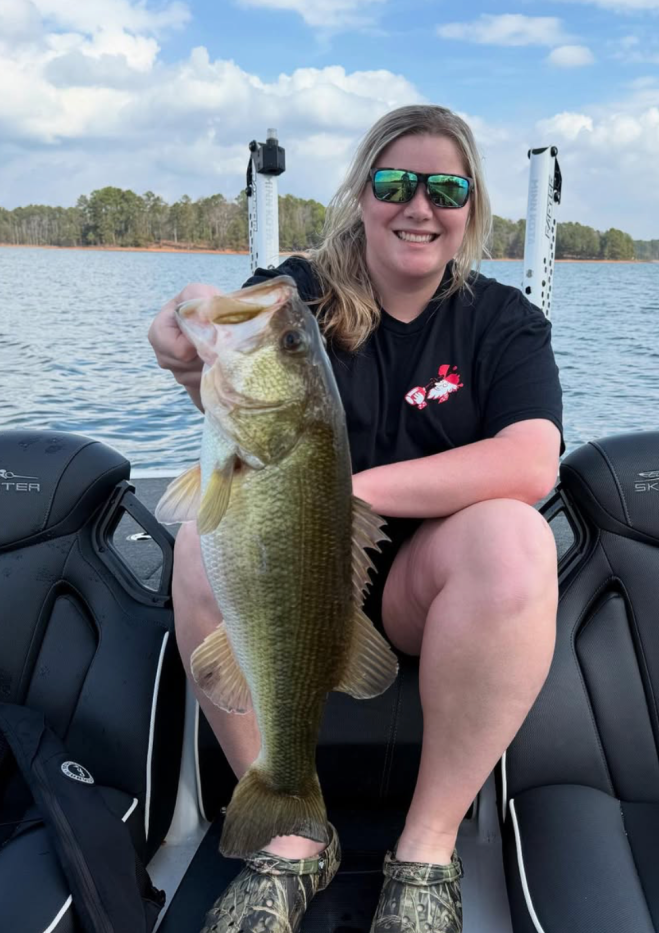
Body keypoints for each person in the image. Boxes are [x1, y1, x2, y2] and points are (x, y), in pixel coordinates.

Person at [148, 103, 563, 933]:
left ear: (472, 206)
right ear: (362, 193)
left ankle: (427, 850)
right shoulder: (296, 297)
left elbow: (530, 461)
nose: (419, 206)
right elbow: (232, 373)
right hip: (289, 583)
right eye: (395, 182)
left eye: (446, 189)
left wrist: (345, 493)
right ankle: (289, 834)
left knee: (516, 537)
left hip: (419, 596)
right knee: (199, 540)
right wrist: (189, 331)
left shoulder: (502, 321)